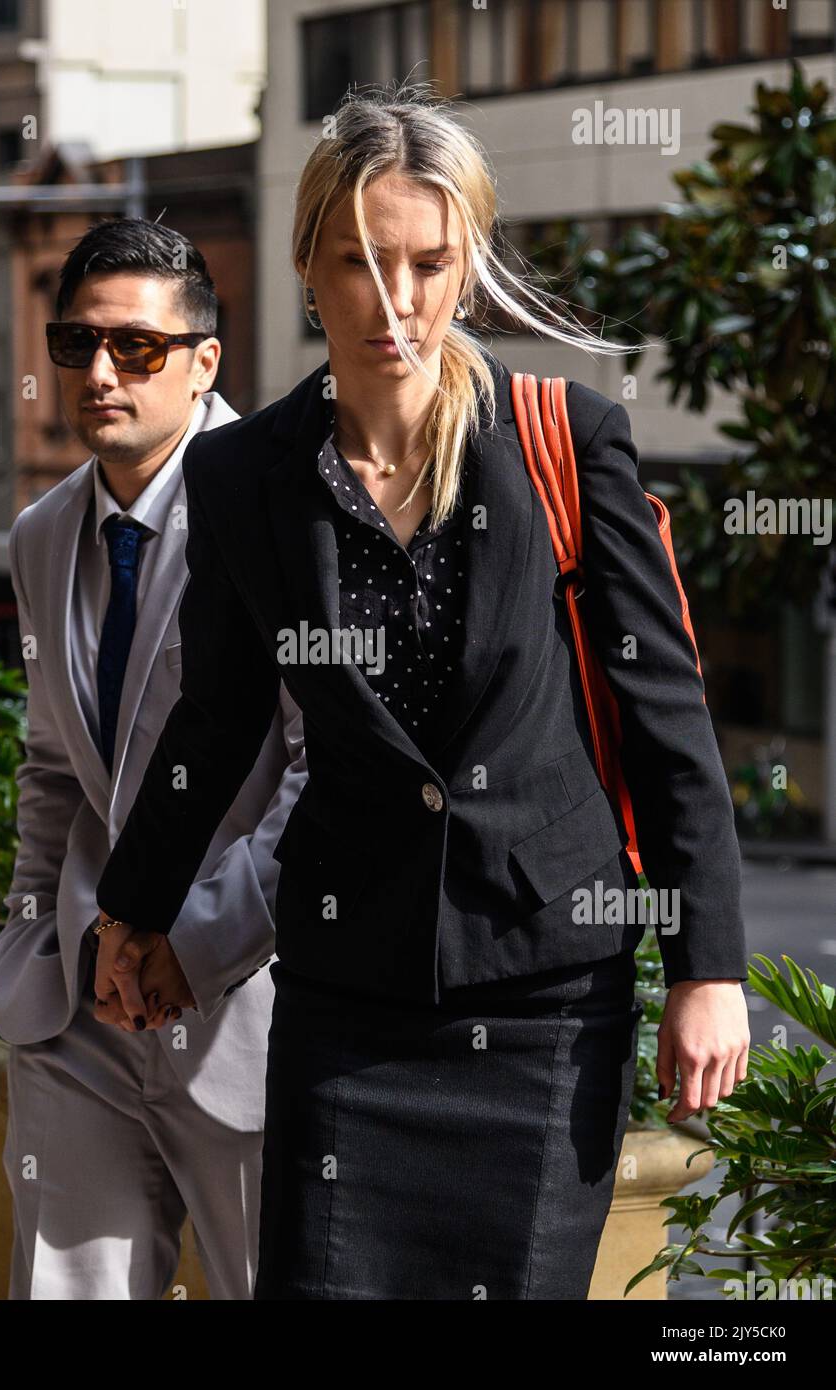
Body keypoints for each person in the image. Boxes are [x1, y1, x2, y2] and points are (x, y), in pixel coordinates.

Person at [95, 88, 751, 1300]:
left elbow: (665, 720)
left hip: (549, 990)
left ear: (465, 267)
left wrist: (707, 965)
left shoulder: (567, 441)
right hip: (349, 996)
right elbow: (218, 717)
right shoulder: (242, 474)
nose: (391, 302)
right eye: (357, 261)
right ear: (307, 265)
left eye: (425, 262)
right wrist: (133, 906)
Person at [0, 218, 306, 1299]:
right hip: (79, 1013)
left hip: (250, 1010)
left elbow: (320, 773)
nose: (101, 372)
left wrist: (196, 943)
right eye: (77, 344)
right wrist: (35, 942)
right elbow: (55, 769)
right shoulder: (40, 535)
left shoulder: (288, 510)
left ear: (206, 359)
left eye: (139, 348)